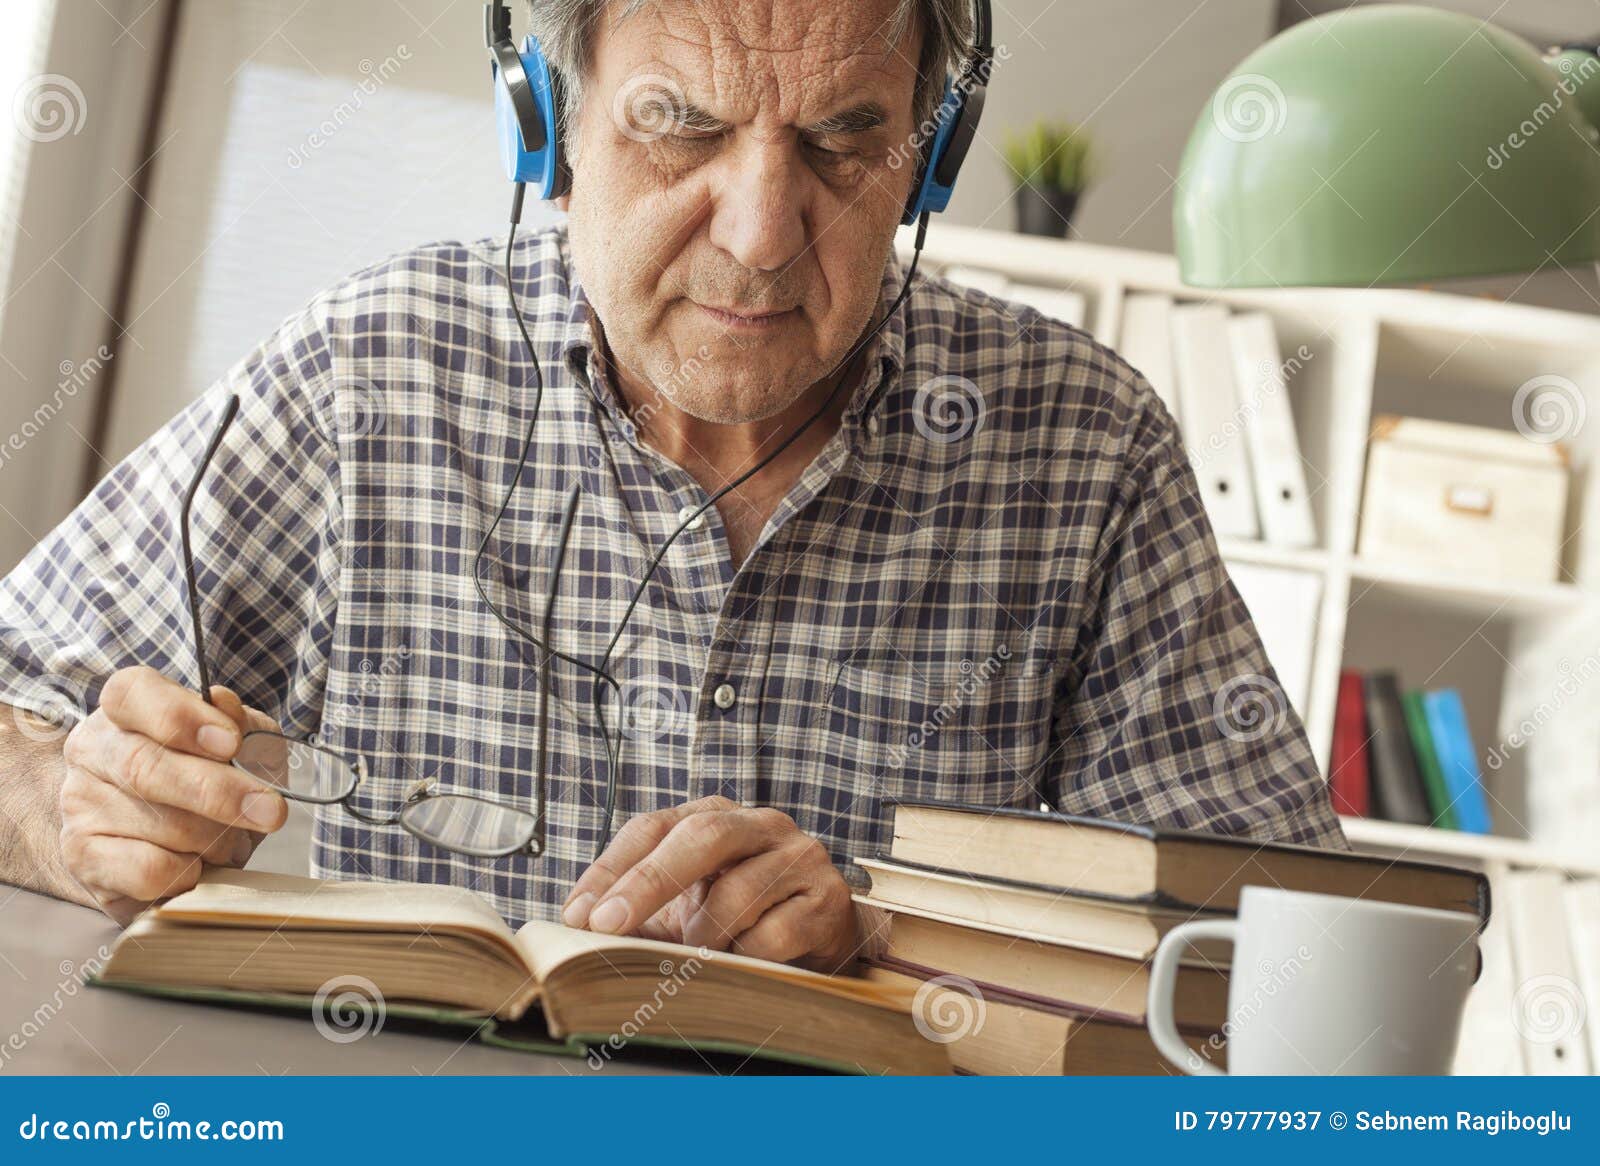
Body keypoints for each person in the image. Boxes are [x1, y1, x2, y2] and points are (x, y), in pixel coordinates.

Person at [0, 0, 1343, 971]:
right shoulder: (365, 370)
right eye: (679, 128)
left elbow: (1289, 941)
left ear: (929, 161)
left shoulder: (1085, 448)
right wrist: (72, 806)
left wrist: (894, 932)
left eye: (842, 141)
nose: (760, 236)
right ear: (550, 127)